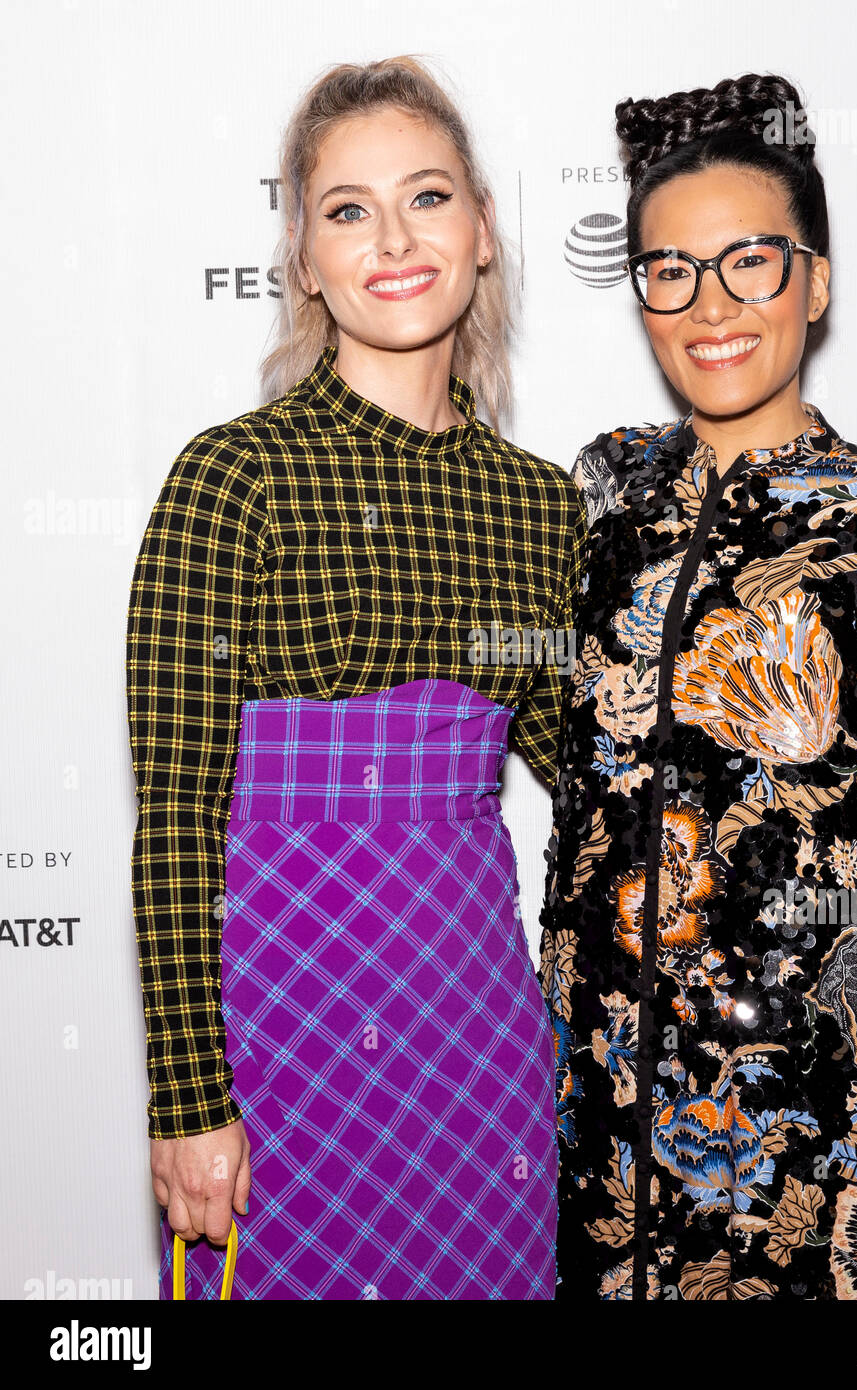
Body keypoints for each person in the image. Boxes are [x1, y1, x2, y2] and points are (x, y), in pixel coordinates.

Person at [125, 56, 585, 1300]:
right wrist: (188, 1095)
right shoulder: (232, 480)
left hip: (480, 1041)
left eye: (427, 198)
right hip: (282, 1042)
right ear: (304, 255)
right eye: (347, 209)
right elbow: (173, 813)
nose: (392, 238)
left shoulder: (540, 507)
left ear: (483, 231)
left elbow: (595, 778)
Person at [538, 71, 857, 1301]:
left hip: (812, 1112)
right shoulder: (604, 495)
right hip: (596, 1103)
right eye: (669, 271)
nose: (709, 306)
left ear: (817, 278)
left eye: (751, 262)